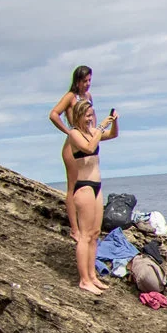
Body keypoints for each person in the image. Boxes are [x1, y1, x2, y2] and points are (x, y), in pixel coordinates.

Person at [61, 99, 118, 294]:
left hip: (97, 186)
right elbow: (88, 148)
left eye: (92, 115)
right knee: (84, 236)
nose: (90, 119)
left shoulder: (93, 132)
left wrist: (113, 121)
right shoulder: (74, 134)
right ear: (78, 116)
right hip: (84, 187)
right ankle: (84, 279)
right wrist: (101, 126)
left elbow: (113, 135)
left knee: (94, 234)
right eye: (87, 115)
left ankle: (92, 275)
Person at [49, 66, 94, 238]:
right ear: (77, 81)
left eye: (89, 80)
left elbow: (91, 118)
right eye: (84, 81)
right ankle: (74, 229)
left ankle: (84, 223)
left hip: (86, 143)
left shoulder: (88, 97)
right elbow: (54, 114)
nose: (87, 84)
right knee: (73, 187)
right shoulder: (71, 97)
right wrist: (69, 131)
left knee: (87, 185)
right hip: (72, 145)